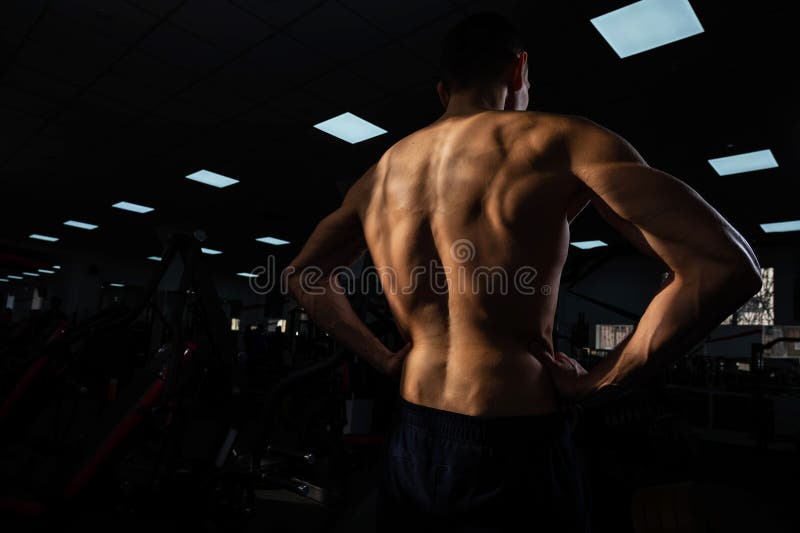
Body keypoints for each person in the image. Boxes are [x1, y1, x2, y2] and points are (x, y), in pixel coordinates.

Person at [284, 12, 761, 532]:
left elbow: (303, 276)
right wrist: (599, 382)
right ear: (519, 70)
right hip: (515, 440)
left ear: (443, 91)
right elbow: (725, 265)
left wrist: (382, 358)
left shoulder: (378, 177)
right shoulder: (562, 140)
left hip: (413, 435)